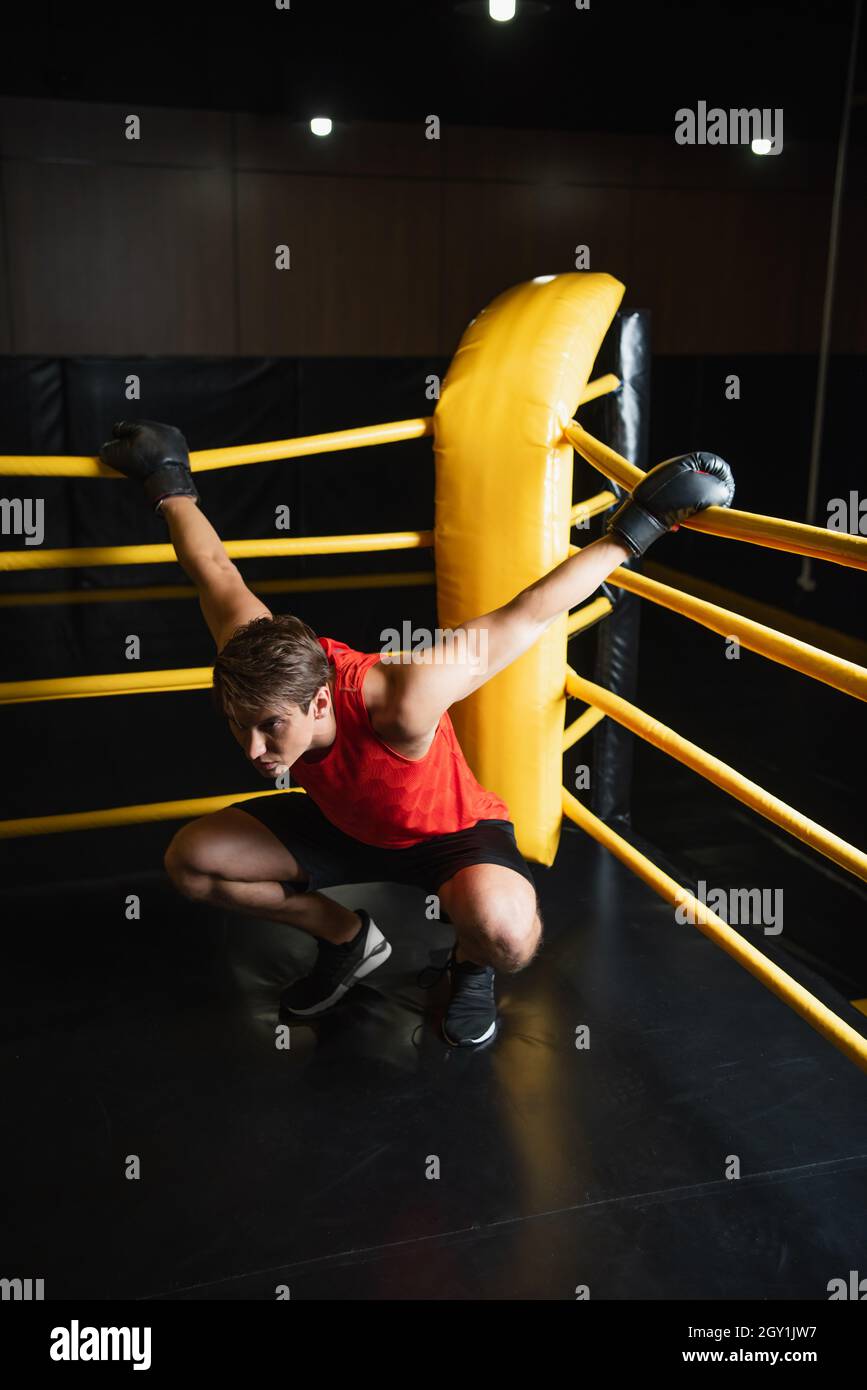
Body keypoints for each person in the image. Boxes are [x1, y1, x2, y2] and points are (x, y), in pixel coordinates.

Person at [100, 420, 734, 1049]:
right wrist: (168, 479)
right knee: (193, 863)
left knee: (509, 937)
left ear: (321, 700)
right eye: (240, 729)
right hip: (342, 825)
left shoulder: (403, 699)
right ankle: (348, 939)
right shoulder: (257, 656)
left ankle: (470, 961)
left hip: (447, 838)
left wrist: (642, 523)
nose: (254, 752)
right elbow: (212, 567)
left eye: (270, 730)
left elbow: (527, 613)